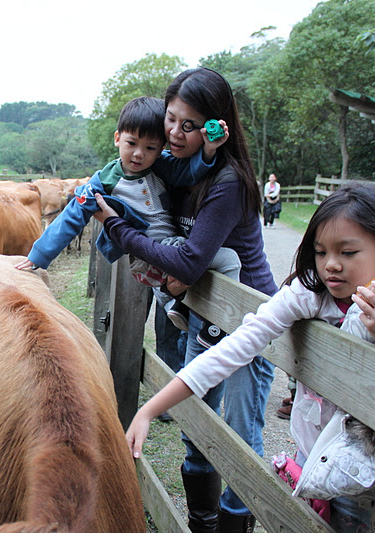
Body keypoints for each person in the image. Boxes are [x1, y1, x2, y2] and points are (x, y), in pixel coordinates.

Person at [122, 183, 375, 532]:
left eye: (348, 252)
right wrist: (150, 409)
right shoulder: (308, 295)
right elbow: (234, 348)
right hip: (314, 453)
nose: (330, 266)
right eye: (320, 253)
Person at [93, 67, 277, 532]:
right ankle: (202, 524)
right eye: (171, 119)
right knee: (196, 428)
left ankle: (234, 525)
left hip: (246, 321)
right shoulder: (175, 171)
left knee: (238, 436)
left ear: (214, 127)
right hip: (202, 315)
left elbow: (190, 262)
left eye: (189, 125)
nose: (174, 132)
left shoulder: (228, 181)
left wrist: (117, 227)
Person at [14, 96, 240, 333]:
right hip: (146, 256)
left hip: (171, 249)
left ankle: (182, 309)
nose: (139, 154)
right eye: (131, 143)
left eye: (150, 148)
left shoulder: (162, 166)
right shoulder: (103, 181)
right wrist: (39, 255)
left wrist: (208, 150)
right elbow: (73, 214)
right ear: (117, 138)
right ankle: (206, 316)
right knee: (224, 260)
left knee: (205, 265)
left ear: (161, 148)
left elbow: (190, 173)